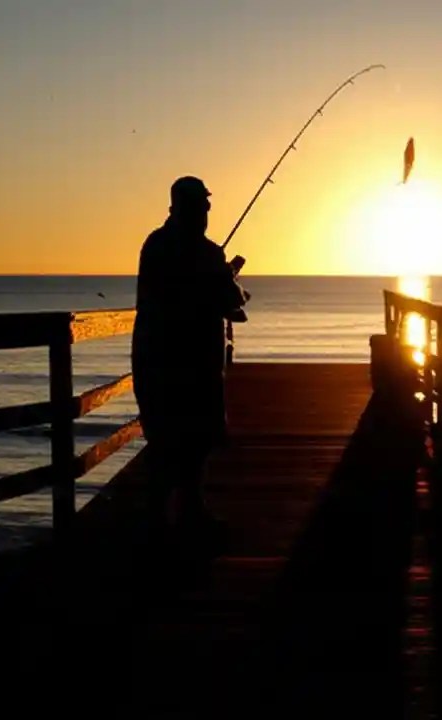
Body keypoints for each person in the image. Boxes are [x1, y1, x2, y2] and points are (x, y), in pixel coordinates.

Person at [132, 176, 248, 545]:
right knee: (194, 442)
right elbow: (231, 300)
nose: (209, 211)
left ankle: (158, 522)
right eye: (204, 205)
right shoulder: (207, 253)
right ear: (194, 207)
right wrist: (229, 277)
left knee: (164, 439)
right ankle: (188, 516)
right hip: (195, 364)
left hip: (154, 359)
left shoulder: (154, 245)